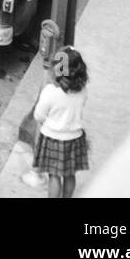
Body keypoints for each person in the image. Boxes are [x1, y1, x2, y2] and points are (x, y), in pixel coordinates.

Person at [33, 46, 90, 199]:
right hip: (75, 137)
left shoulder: (50, 91)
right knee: (70, 174)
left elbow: (38, 116)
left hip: (53, 138)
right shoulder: (82, 90)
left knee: (54, 176)